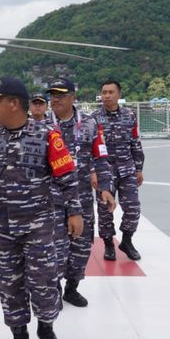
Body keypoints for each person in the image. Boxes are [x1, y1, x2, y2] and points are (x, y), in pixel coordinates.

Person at [0, 76, 82, 339]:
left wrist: (75, 212)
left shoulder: (47, 135)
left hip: (39, 226)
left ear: (13, 103)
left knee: (44, 282)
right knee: (9, 284)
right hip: (5, 228)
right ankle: (20, 338)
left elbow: (68, 178)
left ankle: (47, 331)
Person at [46, 78, 116, 307]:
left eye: (61, 94)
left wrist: (105, 187)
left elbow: (101, 156)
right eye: (52, 94)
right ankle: (53, 288)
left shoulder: (89, 124)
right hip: (51, 197)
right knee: (53, 246)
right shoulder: (41, 124)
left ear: (73, 98)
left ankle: (72, 287)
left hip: (82, 194)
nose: (55, 99)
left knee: (82, 244)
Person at [92, 80, 144, 261]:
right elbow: (90, 147)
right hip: (105, 171)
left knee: (133, 207)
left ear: (118, 95)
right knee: (105, 210)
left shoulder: (130, 115)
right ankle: (108, 243)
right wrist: (93, 172)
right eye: (104, 92)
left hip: (127, 168)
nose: (106, 96)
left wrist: (139, 168)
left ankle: (127, 240)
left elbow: (135, 142)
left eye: (110, 92)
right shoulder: (94, 118)